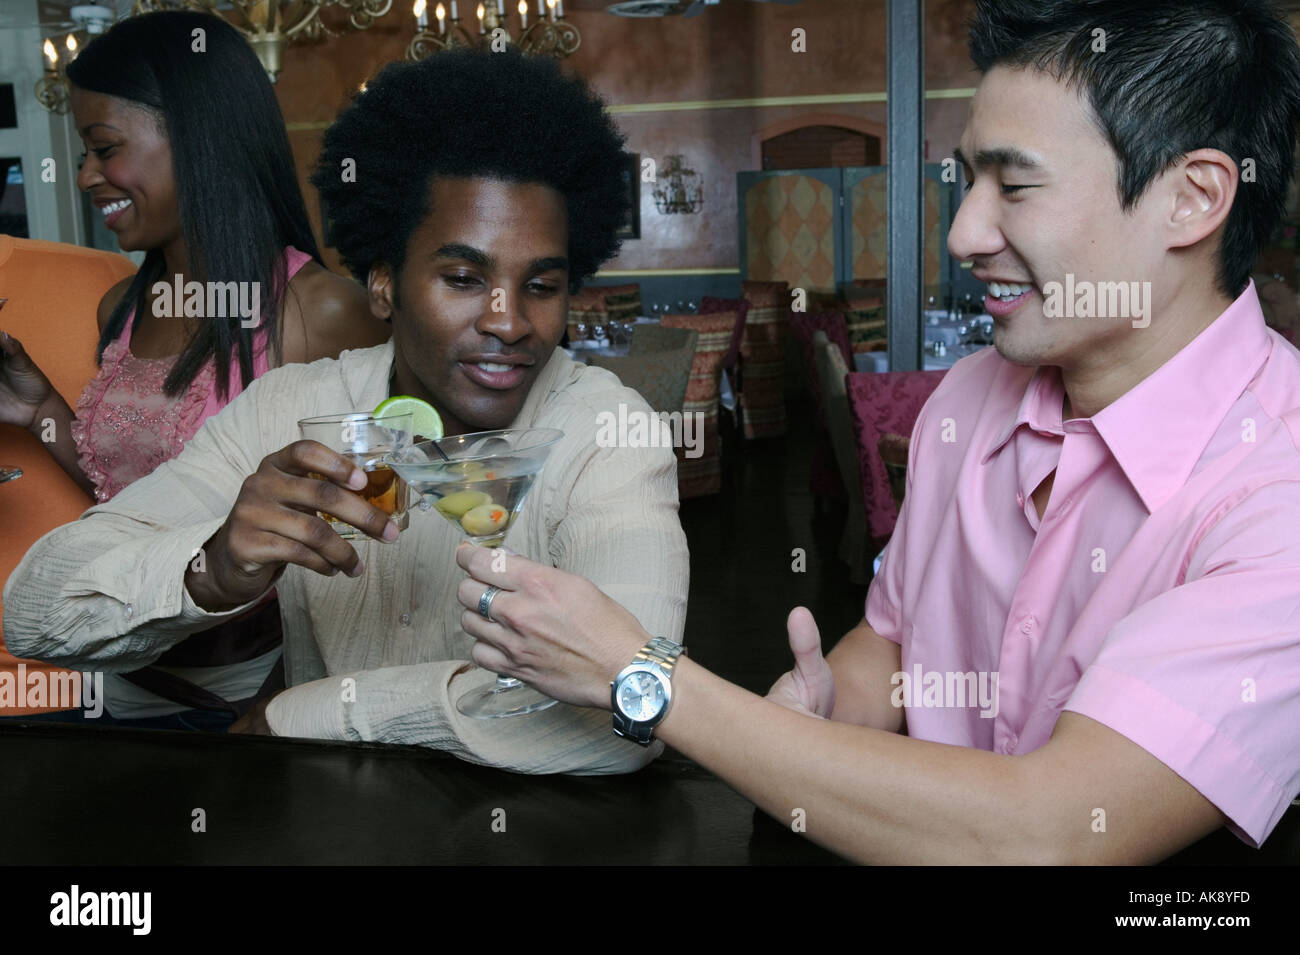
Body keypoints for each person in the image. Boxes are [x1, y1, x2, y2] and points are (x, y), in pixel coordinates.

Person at [450, 0, 1300, 860]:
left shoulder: (1277, 492)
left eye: (1015, 185)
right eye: (969, 181)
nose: (965, 231)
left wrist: (645, 678)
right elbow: (894, 638)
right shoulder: (969, 399)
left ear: (1192, 199)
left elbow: (1051, 831)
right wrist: (824, 712)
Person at [3, 47, 688, 774]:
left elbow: (631, 710)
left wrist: (306, 711)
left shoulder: (611, 436)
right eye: (463, 277)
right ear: (385, 285)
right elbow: (36, 611)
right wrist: (211, 568)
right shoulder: (294, 411)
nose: (508, 320)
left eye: (542, 286)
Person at [0, 11, 389, 730]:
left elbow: (375, 548)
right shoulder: (123, 303)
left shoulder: (320, 311)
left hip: (251, 696)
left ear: (198, 137)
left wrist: (276, 705)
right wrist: (39, 409)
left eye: (103, 147)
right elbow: (141, 506)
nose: (87, 176)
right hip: (121, 680)